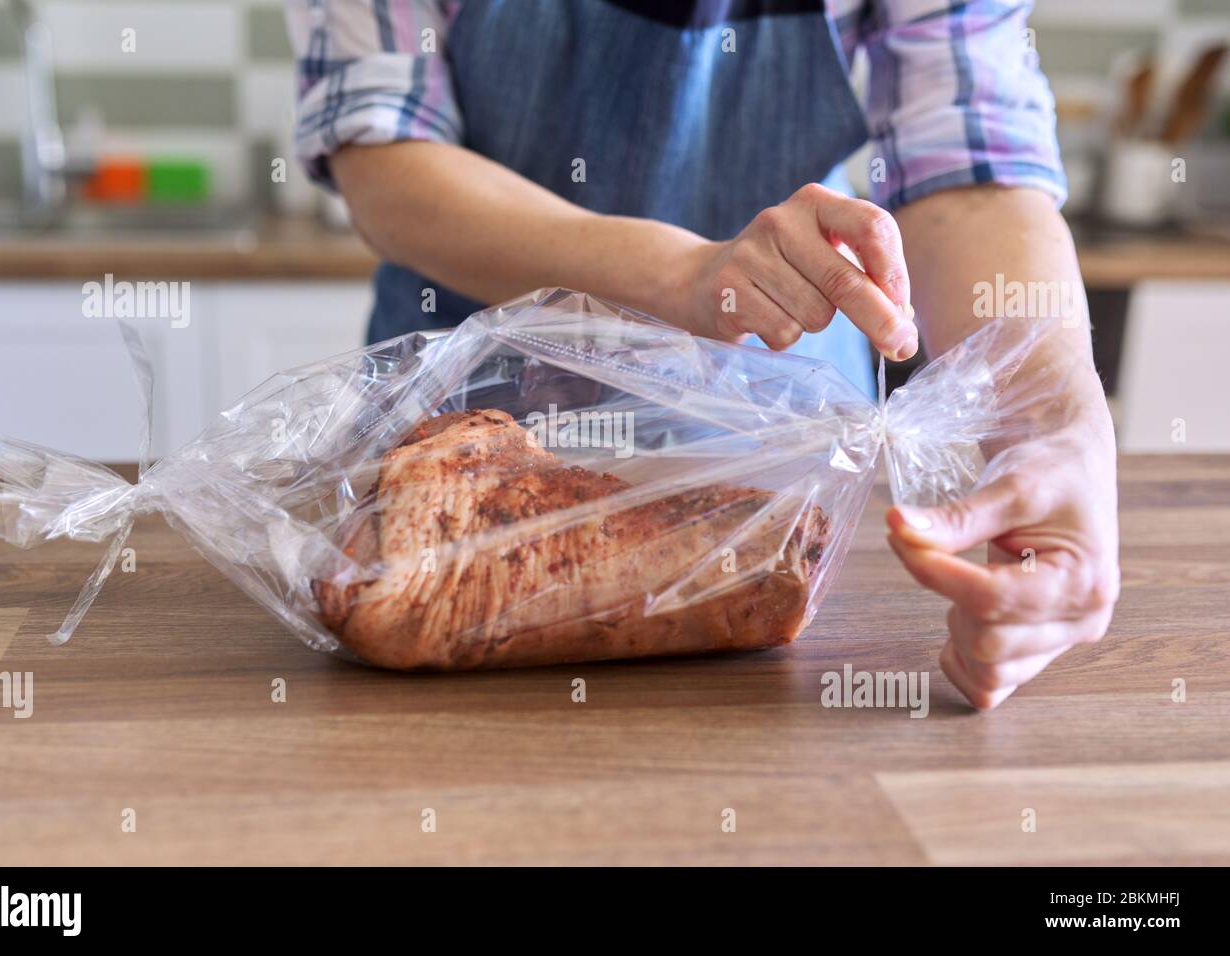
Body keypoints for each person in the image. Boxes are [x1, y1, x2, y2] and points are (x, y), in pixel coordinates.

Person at [285, 0, 1120, 709]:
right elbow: (385, 158)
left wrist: (1051, 422)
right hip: (460, 459)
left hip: (785, 471)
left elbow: (970, 167)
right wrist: (685, 274)